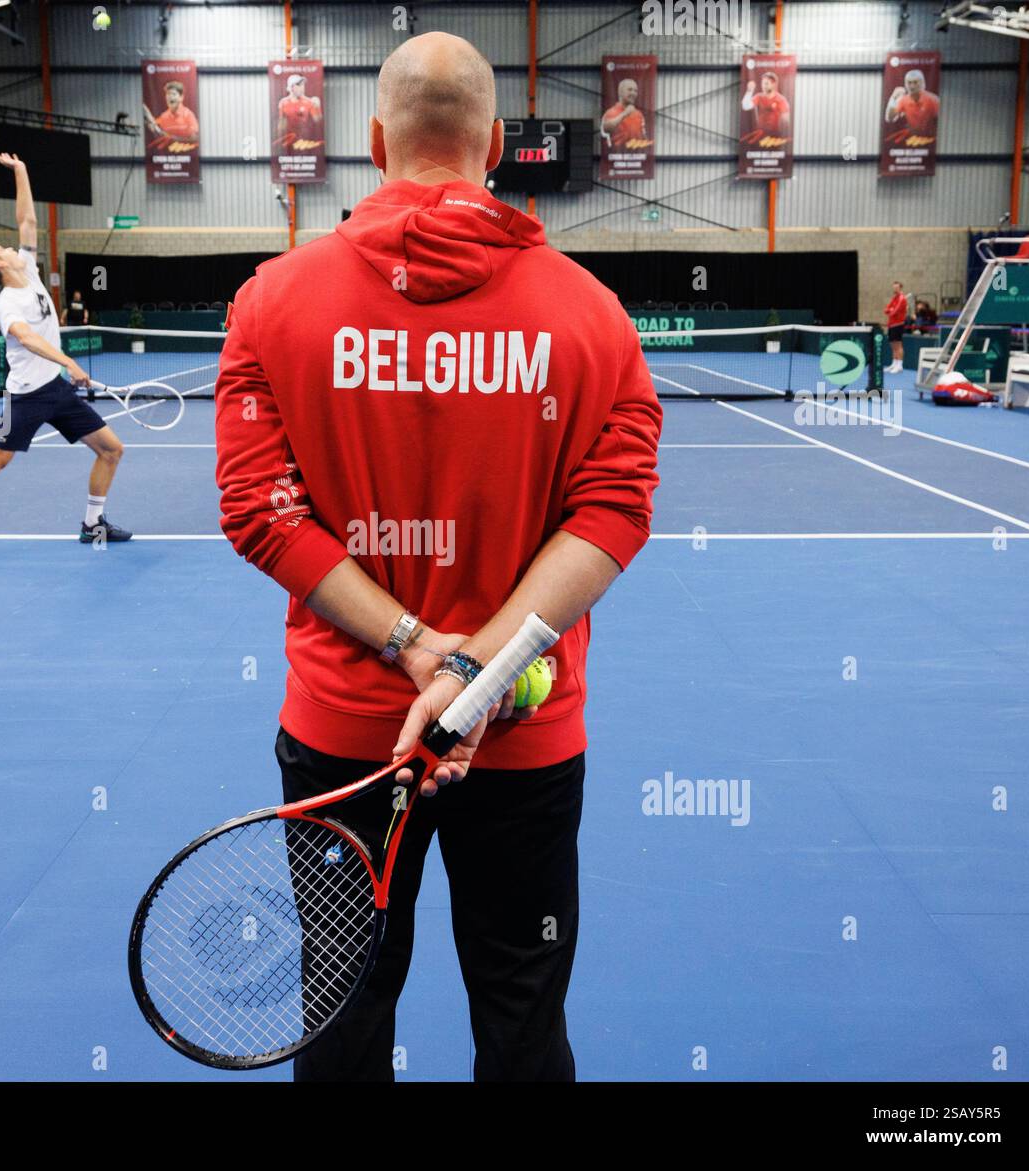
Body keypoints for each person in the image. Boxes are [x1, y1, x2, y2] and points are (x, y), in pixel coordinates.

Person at [214, 32, 661, 1081]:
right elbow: (614, 511)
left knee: (343, 1007)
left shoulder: (270, 301)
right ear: (496, 144)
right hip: (523, 735)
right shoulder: (592, 316)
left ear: (375, 142)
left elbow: (260, 513)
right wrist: (476, 672)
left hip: (344, 742)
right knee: (522, 1007)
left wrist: (419, 648)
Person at [0, 154, 131, 563]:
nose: (13, 245)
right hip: (24, 397)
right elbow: (26, 338)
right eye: (5, 248)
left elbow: (27, 220)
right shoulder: (7, 303)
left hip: (56, 391)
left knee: (111, 450)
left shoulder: (32, 274)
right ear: (2, 264)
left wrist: (22, 171)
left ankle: (93, 523)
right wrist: (69, 362)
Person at [885, 69, 939, 140]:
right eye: (909, 83)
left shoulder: (933, 100)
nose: (912, 86)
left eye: (915, 82)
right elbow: (890, 118)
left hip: (931, 138)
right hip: (912, 138)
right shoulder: (904, 100)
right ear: (905, 84)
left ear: (922, 83)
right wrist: (894, 98)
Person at [144, 80, 198, 147]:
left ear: (181, 97)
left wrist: (174, 139)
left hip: (187, 152)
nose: (170, 96)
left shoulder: (188, 115)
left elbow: (195, 139)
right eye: (168, 94)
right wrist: (151, 126)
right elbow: (156, 130)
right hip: (165, 152)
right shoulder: (163, 116)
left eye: (173, 94)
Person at [276, 73, 323, 147]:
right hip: (289, 140)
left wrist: (318, 107)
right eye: (299, 85)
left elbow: (318, 121)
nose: (302, 87)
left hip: (305, 140)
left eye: (303, 85)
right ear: (291, 87)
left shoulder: (309, 102)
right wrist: (279, 139)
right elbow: (281, 123)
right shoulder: (283, 102)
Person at [742, 70, 790, 140]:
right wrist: (749, 91)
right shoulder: (759, 97)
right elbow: (745, 106)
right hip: (760, 133)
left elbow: (786, 120)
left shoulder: (781, 100)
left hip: (775, 135)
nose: (763, 86)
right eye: (762, 83)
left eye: (766, 83)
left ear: (773, 84)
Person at [601, 77, 647, 145]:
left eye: (635, 91)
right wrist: (625, 114)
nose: (633, 93)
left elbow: (643, 135)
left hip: (637, 150)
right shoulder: (611, 112)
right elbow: (606, 129)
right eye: (630, 89)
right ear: (620, 92)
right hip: (617, 151)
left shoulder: (639, 114)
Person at [885, 280, 908, 373]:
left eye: (896, 287)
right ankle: (894, 363)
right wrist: (890, 310)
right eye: (894, 287)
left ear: (900, 288)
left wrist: (891, 310)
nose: (895, 289)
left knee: (898, 345)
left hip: (898, 324)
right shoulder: (894, 298)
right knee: (893, 345)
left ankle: (899, 365)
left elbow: (894, 312)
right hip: (891, 324)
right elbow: (886, 310)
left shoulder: (902, 298)